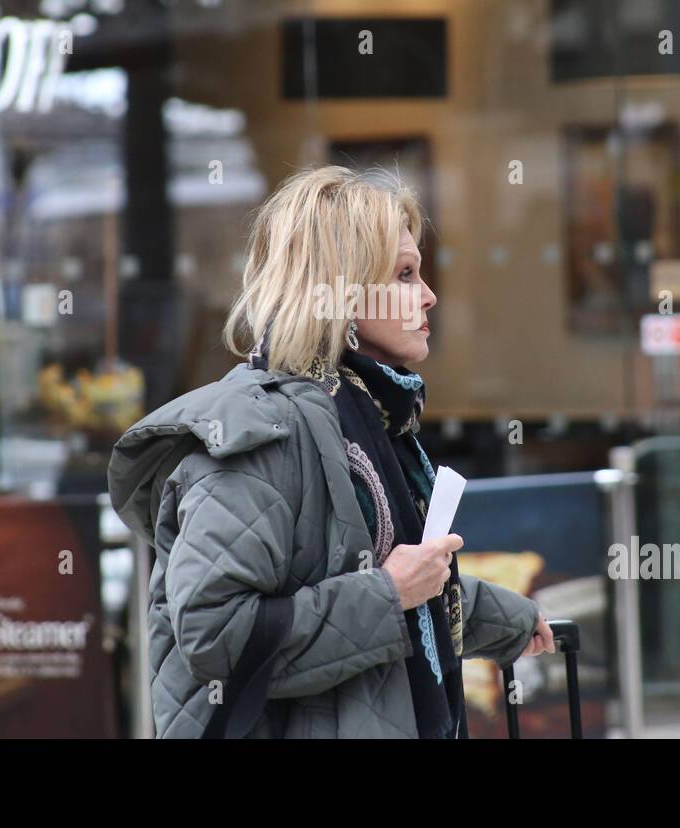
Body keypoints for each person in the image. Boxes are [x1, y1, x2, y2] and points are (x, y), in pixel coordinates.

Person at [108, 165, 553, 738]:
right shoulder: (261, 429)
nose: (429, 295)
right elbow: (215, 632)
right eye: (404, 275)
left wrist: (509, 617)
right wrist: (388, 595)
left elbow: (368, 571)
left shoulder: (362, 413)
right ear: (340, 290)